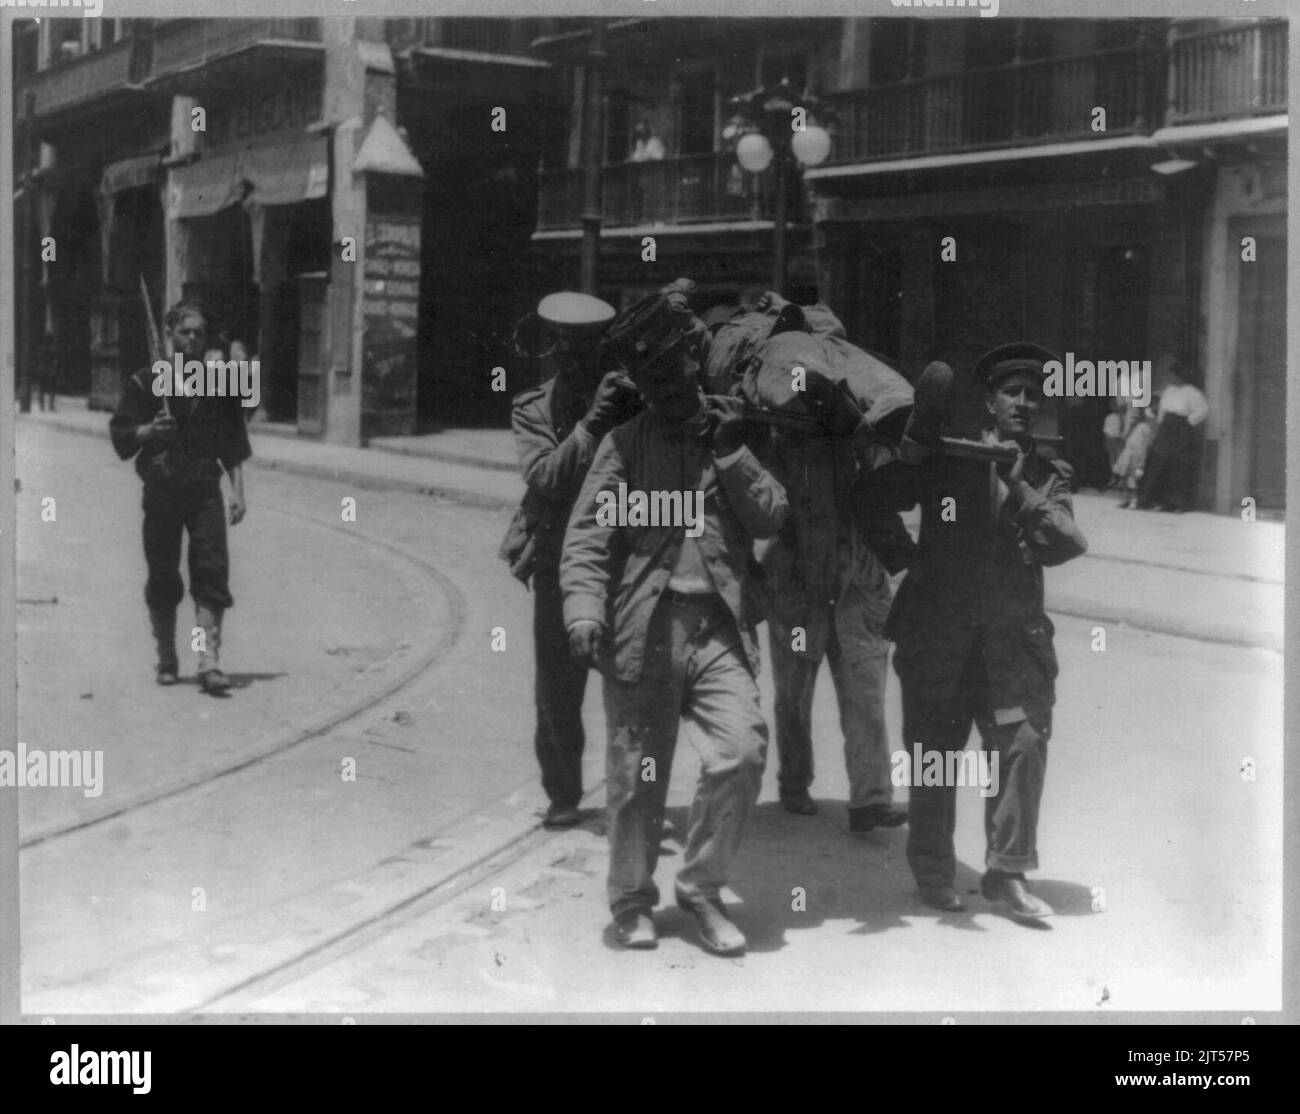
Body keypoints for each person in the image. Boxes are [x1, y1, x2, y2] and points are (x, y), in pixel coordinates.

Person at [561, 293, 788, 955]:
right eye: (648, 377)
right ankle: (632, 901)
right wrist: (583, 608)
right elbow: (586, 538)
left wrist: (730, 454)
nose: (662, 386)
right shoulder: (623, 445)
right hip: (643, 628)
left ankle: (701, 886)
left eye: (671, 368)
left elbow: (772, 516)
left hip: (719, 629)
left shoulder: (733, 431)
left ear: (695, 360)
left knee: (741, 752)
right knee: (637, 776)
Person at [864, 342, 1087, 920]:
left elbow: (1064, 542)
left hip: (1011, 641)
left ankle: (1006, 875)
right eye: (1012, 392)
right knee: (935, 754)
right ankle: (935, 873)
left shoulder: (1048, 473)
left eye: (1033, 395)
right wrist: (906, 557)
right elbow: (874, 499)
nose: (1023, 402)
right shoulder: (950, 456)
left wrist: (1019, 486)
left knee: (1024, 747)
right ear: (989, 402)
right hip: (940, 632)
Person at [507, 292, 640, 831]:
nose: (571, 362)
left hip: (626, 547)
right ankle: (562, 791)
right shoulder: (532, 406)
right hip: (558, 553)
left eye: (584, 353)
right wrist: (591, 422)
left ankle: (630, 793)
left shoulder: (630, 399)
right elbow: (545, 477)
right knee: (559, 684)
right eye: (562, 349)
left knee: (630, 675)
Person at [109, 301, 251, 694]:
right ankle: (167, 657)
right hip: (162, 491)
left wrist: (238, 492)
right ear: (170, 335)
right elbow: (121, 433)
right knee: (162, 574)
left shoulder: (218, 385)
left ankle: (208, 661)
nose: (192, 339)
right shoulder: (147, 380)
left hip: (204, 491)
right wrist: (150, 431)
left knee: (211, 571)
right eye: (185, 332)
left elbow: (234, 444)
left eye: (199, 333)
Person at [1138, 355, 1209, 513]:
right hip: (1166, 428)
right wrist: (1161, 424)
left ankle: (1176, 503)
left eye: (1173, 375)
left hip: (1181, 428)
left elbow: (1203, 410)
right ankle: (1155, 499)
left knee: (1178, 465)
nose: (1170, 377)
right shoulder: (1169, 391)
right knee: (1159, 463)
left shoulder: (1192, 392)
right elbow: (1163, 409)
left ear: (1180, 375)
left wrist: (1189, 422)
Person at [1113, 398, 1158, 509]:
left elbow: (1145, 445)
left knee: (1134, 479)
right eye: (1133, 415)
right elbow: (1126, 439)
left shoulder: (1145, 427)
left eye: (1137, 414)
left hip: (1137, 455)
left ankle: (1134, 500)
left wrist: (1142, 461)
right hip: (1128, 453)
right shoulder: (1132, 427)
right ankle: (1126, 499)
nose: (1134, 417)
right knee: (1125, 477)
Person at [36, 333, 61, 412]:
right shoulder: (54, 349)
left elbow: (38, 359)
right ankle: (51, 406)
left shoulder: (40, 349)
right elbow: (56, 361)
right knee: (52, 388)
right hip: (50, 370)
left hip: (41, 369)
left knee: (41, 388)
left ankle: (41, 406)